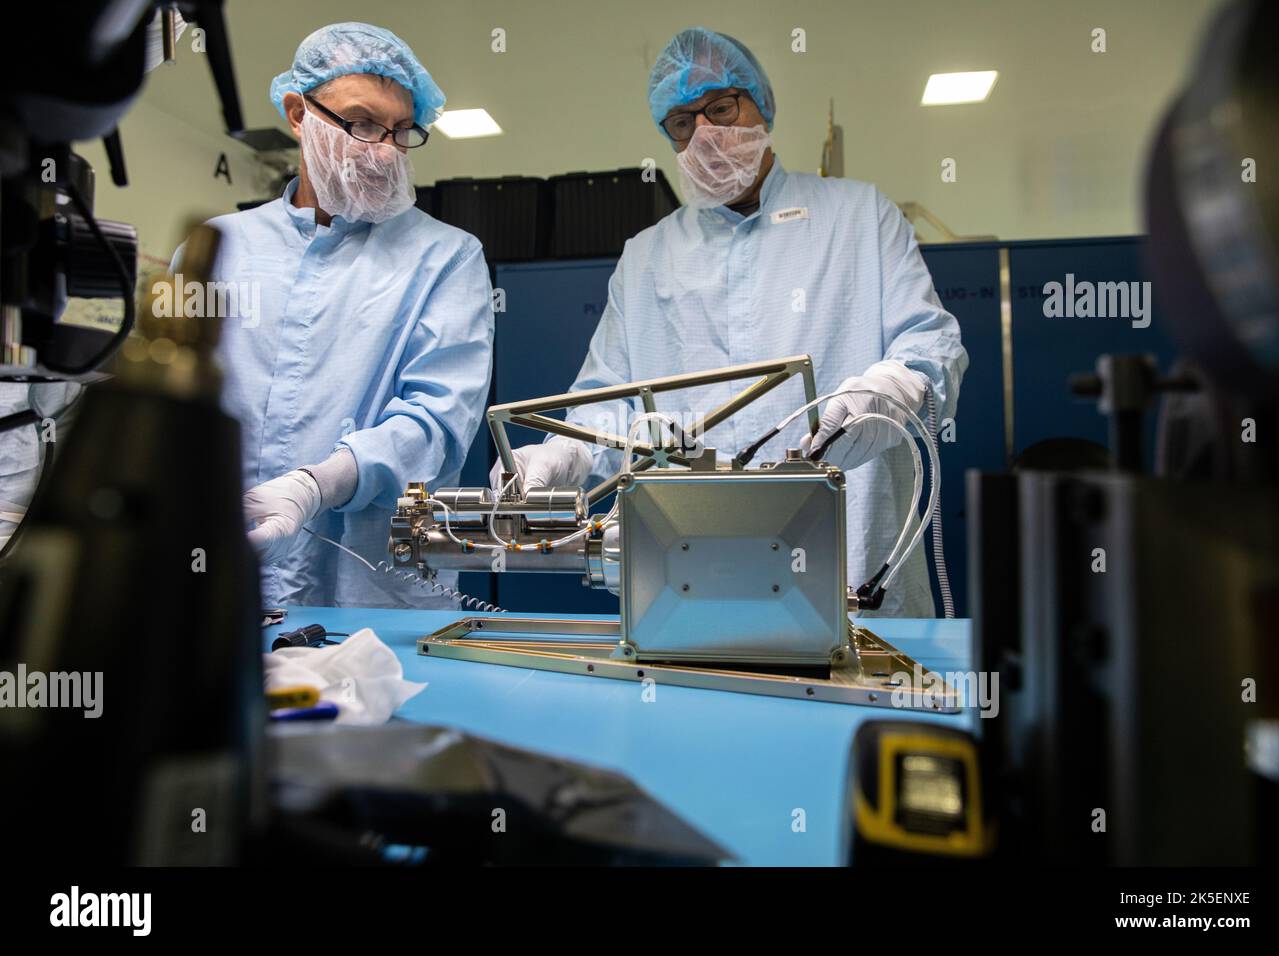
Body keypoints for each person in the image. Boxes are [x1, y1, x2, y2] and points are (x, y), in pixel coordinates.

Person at [493, 27, 968, 617]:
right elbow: (605, 407)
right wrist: (565, 455)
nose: (706, 134)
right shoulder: (647, 256)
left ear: (760, 104)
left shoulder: (860, 216)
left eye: (721, 108)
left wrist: (893, 391)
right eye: (683, 122)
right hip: (682, 577)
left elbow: (931, 344)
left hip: (850, 572)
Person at [174, 22, 493, 607]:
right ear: (299, 113)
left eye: (401, 130)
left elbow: (437, 425)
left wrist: (316, 485)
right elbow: (173, 418)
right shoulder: (218, 250)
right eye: (363, 122)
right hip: (216, 580)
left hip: (369, 596)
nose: (384, 148)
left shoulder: (446, 257)